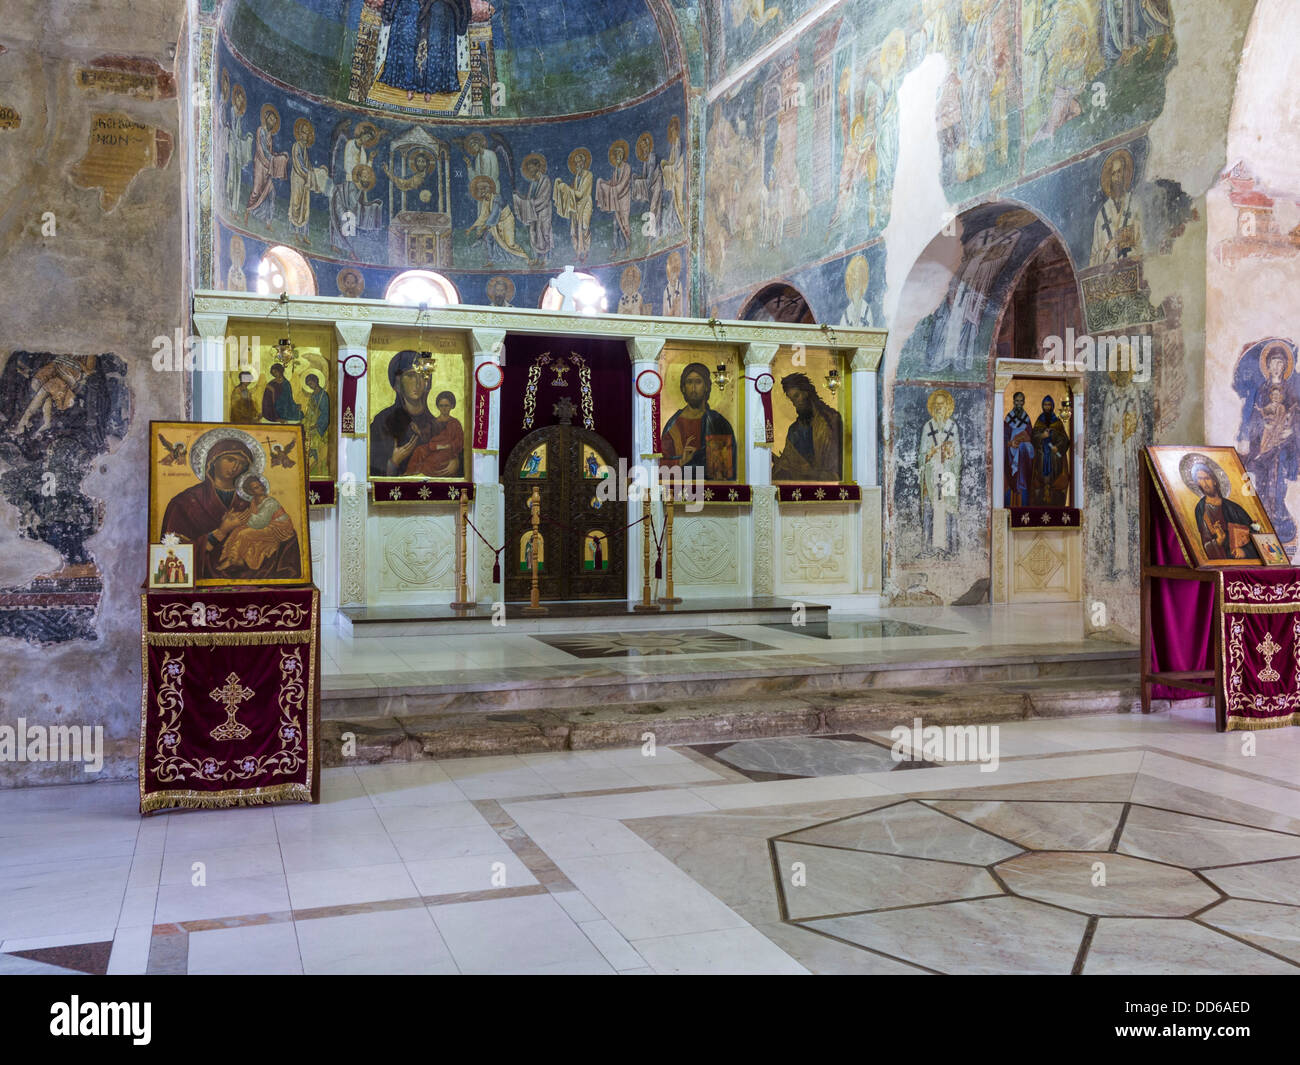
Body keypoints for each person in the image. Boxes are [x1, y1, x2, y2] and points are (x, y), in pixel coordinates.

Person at [159, 435, 300, 581]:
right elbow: (172, 552)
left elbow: (285, 536)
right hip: (202, 581)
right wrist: (221, 532)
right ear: (213, 460)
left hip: (251, 578)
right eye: (230, 460)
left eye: (242, 464)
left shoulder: (251, 500)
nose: (235, 467)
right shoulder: (185, 502)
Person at [379, 0, 471, 100]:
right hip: (410, 7)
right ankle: (409, 86)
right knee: (408, 36)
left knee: (436, 43)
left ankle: (429, 88)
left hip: (441, 7)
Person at [661, 362, 737, 482]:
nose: (693, 388)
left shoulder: (718, 423)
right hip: (679, 492)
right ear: (683, 388)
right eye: (689, 382)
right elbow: (660, 467)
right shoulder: (674, 425)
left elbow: (726, 468)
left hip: (712, 493)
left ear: (706, 386)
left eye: (698, 382)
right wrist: (681, 461)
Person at [214, 475, 299, 576]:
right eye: (256, 487)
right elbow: (252, 517)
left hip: (279, 528)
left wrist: (242, 517)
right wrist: (236, 517)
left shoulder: (270, 503)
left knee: (244, 534)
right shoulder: (254, 501)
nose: (261, 488)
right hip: (266, 525)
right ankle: (231, 557)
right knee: (237, 530)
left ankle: (233, 559)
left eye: (260, 485)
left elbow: (260, 522)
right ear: (250, 492)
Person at [370, 349, 437, 476]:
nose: (417, 383)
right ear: (398, 383)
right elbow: (371, 469)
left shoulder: (436, 424)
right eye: (411, 375)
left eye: (422, 376)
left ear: (427, 383)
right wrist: (393, 462)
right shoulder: (383, 422)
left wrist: (452, 461)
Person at [771, 372, 843, 482]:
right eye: (792, 400)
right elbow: (788, 463)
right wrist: (780, 464)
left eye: (797, 396)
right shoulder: (794, 430)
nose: (795, 403)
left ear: (806, 392)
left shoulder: (830, 420)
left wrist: (810, 472)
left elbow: (836, 466)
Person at [1191, 461, 1258, 561]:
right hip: (1221, 561)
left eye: (1207, 478)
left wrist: (1245, 551)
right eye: (1200, 479)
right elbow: (1205, 543)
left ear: (1214, 480)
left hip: (1240, 561)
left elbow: (1254, 534)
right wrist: (1219, 541)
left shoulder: (1233, 508)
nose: (1204, 484)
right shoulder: (1200, 509)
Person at [405, 390, 464, 477]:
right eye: (441, 406)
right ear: (437, 406)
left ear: (452, 406)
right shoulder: (434, 422)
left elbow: (459, 441)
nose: (444, 408)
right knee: (419, 450)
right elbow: (427, 435)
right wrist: (418, 431)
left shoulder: (455, 423)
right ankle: (410, 473)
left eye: (446, 405)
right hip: (433, 446)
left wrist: (446, 446)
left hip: (447, 450)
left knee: (432, 460)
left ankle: (422, 473)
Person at [513, 153, 554, 266]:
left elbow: (544, 198)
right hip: (533, 212)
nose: (530, 170)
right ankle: (536, 258)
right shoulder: (533, 182)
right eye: (529, 168)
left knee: (544, 232)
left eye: (532, 167)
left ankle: (547, 258)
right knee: (533, 233)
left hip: (543, 211)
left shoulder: (545, 180)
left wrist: (530, 204)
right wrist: (519, 197)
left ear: (538, 167)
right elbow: (529, 198)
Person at [1029, 394, 1071, 506]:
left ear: (1052, 406)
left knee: (1055, 470)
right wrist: (1042, 436)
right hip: (1041, 455)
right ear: (1042, 406)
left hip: (1054, 457)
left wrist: (1058, 447)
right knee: (1040, 473)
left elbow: (1065, 439)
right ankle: (1040, 498)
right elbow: (1033, 437)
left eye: (1049, 405)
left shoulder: (1057, 422)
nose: (1047, 407)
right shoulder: (1039, 421)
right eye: (1045, 405)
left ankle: (1055, 499)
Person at [553, 148, 593, 262]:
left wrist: (566, 188)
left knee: (584, 227)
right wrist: (562, 187)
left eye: (580, 162)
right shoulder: (576, 177)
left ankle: (586, 252)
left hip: (585, 204)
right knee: (574, 230)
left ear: (584, 162)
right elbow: (572, 191)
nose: (578, 164)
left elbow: (580, 194)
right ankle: (578, 253)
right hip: (576, 206)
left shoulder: (588, 175)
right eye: (576, 163)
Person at [596, 140, 632, 252]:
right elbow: (613, 183)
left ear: (623, 155)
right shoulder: (616, 170)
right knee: (616, 224)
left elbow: (623, 184)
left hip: (624, 198)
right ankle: (616, 249)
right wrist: (603, 183)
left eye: (621, 154)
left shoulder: (627, 168)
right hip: (616, 199)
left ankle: (628, 247)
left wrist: (611, 190)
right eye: (617, 154)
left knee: (625, 222)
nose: (619, 156)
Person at [1003, 391, 1034, 507]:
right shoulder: (1008, 417)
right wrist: (1010, 443)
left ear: (1024, 402)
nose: (1019, 403)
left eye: (1021, 401)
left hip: (1024, 455)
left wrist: (1025, 439)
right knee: (1011, 476)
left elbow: (1031, 435)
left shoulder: (1026, 418)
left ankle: (1024, 506)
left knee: (1023, 478)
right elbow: (1003, 436)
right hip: (1010, 454)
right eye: (1017, 401)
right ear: (1013, 402)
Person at [301, 373, 330, 476]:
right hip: (311, 422)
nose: (310, 386)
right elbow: (309, 410)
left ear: (316, 381)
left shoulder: (323, 395)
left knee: (316, 445)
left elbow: (326, 413)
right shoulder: (313, 395)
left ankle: (320, 467)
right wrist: (306, 420)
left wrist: (317, 425)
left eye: (311, 383)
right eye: (308, 385)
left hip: (319, 425)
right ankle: (309, 465)